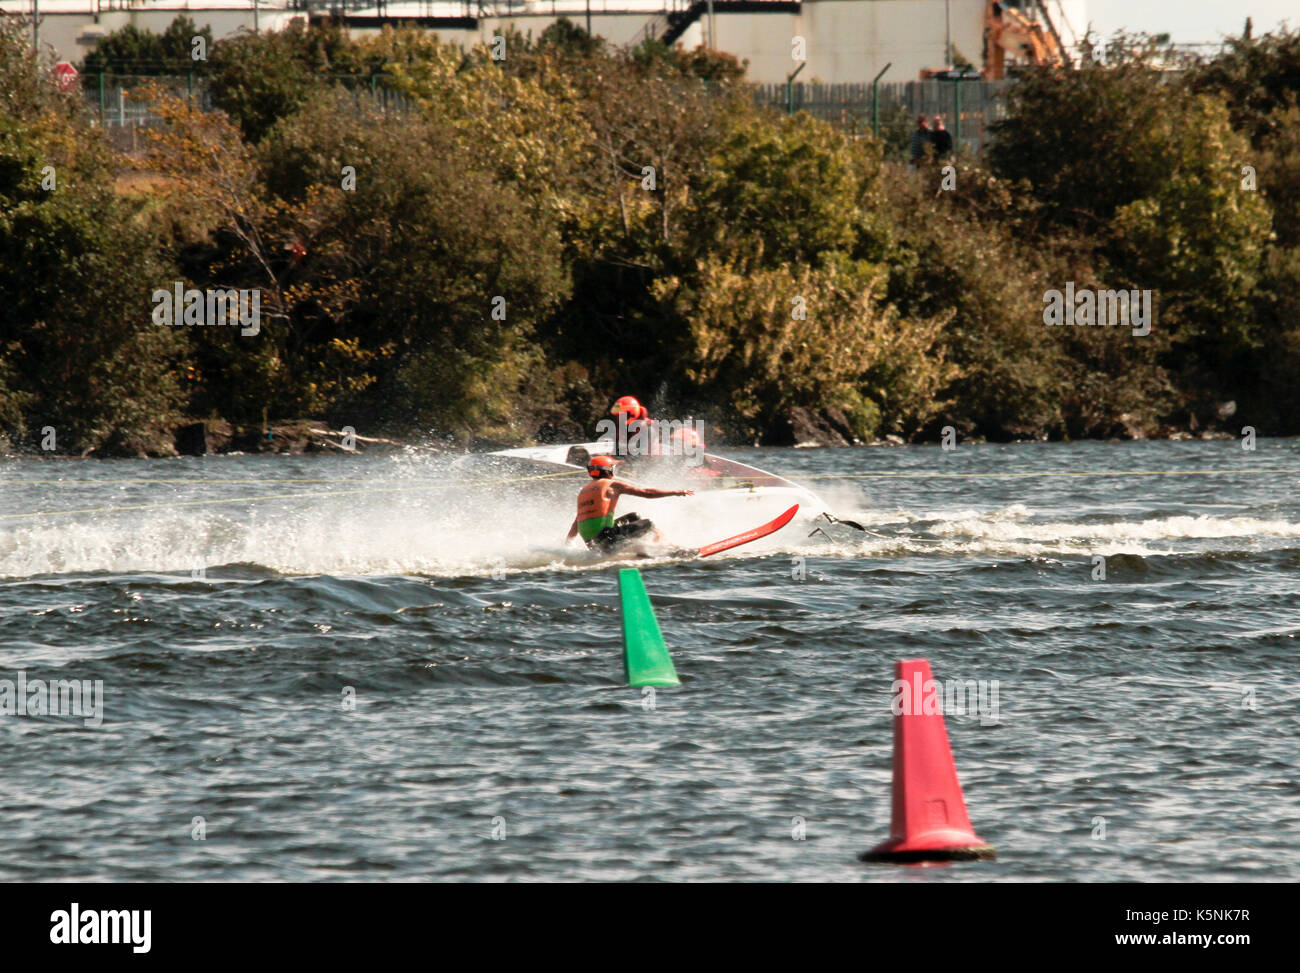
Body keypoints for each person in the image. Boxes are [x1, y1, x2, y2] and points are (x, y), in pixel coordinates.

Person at [566, 455, 693, 552]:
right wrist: (675, 492)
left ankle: (640, 550)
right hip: (607, 541)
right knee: (648, 525)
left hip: (594, 545)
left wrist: (568, 544)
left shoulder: (584, 491)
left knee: (634, 517)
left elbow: (576, 523)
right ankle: (672, 549)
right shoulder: (612, 485)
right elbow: (647, 492)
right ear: (609, 470)